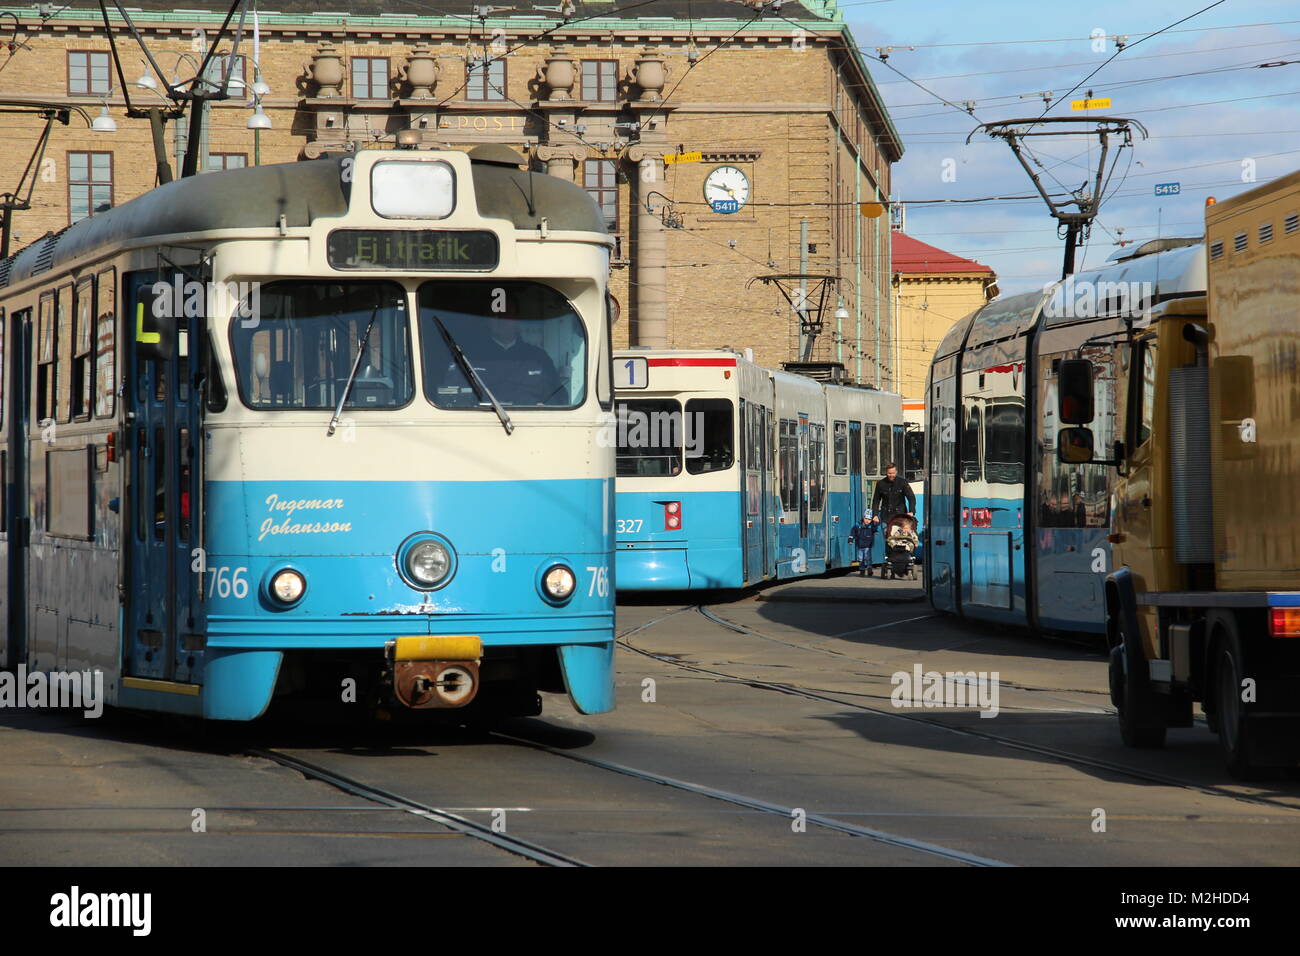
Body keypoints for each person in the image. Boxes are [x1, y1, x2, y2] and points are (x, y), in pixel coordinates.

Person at [871, 462, 916, 530]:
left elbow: (911, 497)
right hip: (886, 517)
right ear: (886, 472)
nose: (891, 475)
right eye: (889, 473)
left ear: (896, 472)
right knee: (888, 538)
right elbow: (876, 500)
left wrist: (911, 511)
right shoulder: (880, 484)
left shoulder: (902, 482)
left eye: (893, 473)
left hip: (900, 516)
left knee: (900, 538)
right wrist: (875, 515)